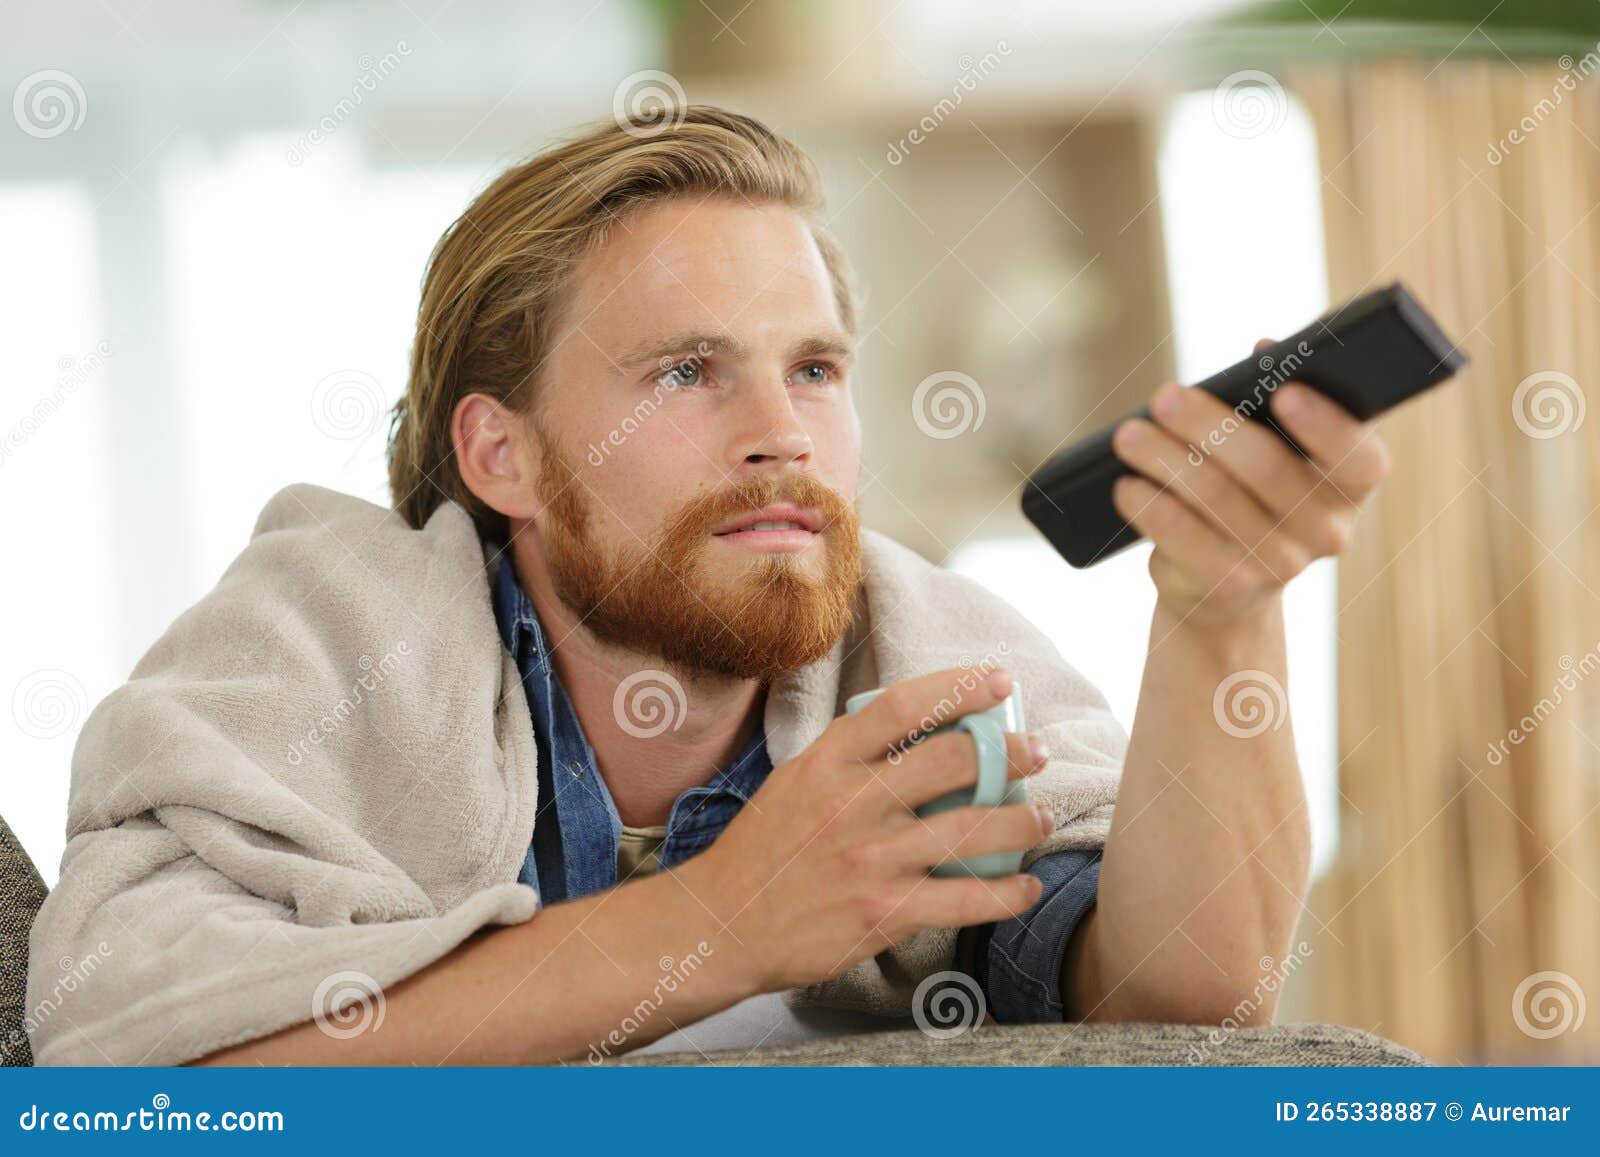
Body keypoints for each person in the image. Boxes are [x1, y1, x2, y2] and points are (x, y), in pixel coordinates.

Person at [26, 107, 1389, 1066]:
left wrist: (1220, 611)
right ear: (500, 452)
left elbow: (1181, 1013)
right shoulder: (325, 638)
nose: (782, 432)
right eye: (687, 371)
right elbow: (121, 1052)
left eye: (813, 369)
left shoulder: (931, 652)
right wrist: (719, 921)